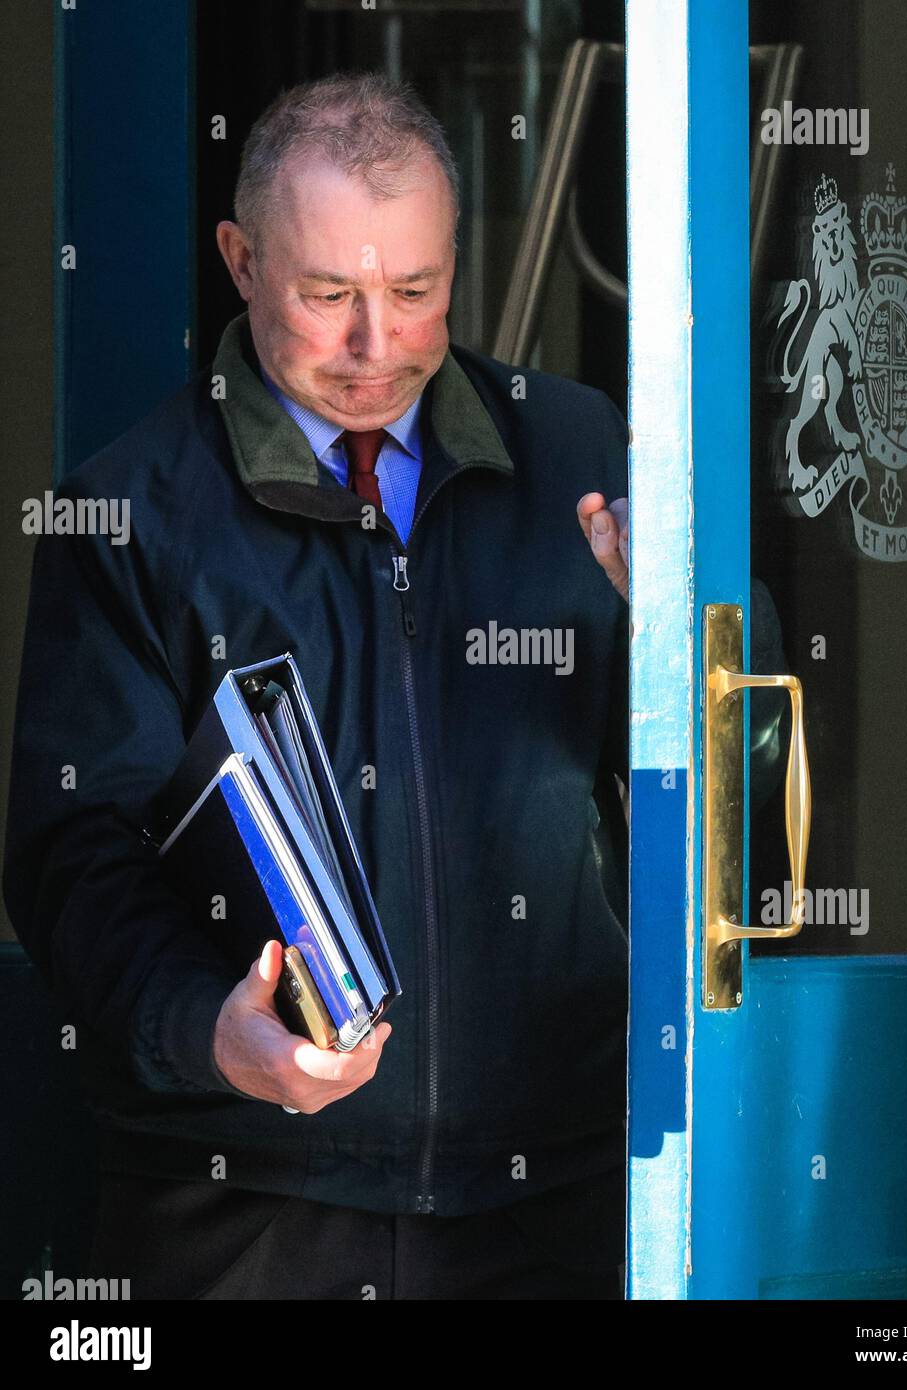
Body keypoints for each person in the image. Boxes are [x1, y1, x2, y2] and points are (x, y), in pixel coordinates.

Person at [3, 71, 631, 1300]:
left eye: (414, 292)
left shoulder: (581, 456)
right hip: (239, 1209)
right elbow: (71, 856)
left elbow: (725, 769)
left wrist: (683, 626)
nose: (375, 346)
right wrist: (209, 1032)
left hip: (548, 1201)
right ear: (240, 261)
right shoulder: (125, 511)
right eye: (328, 295)